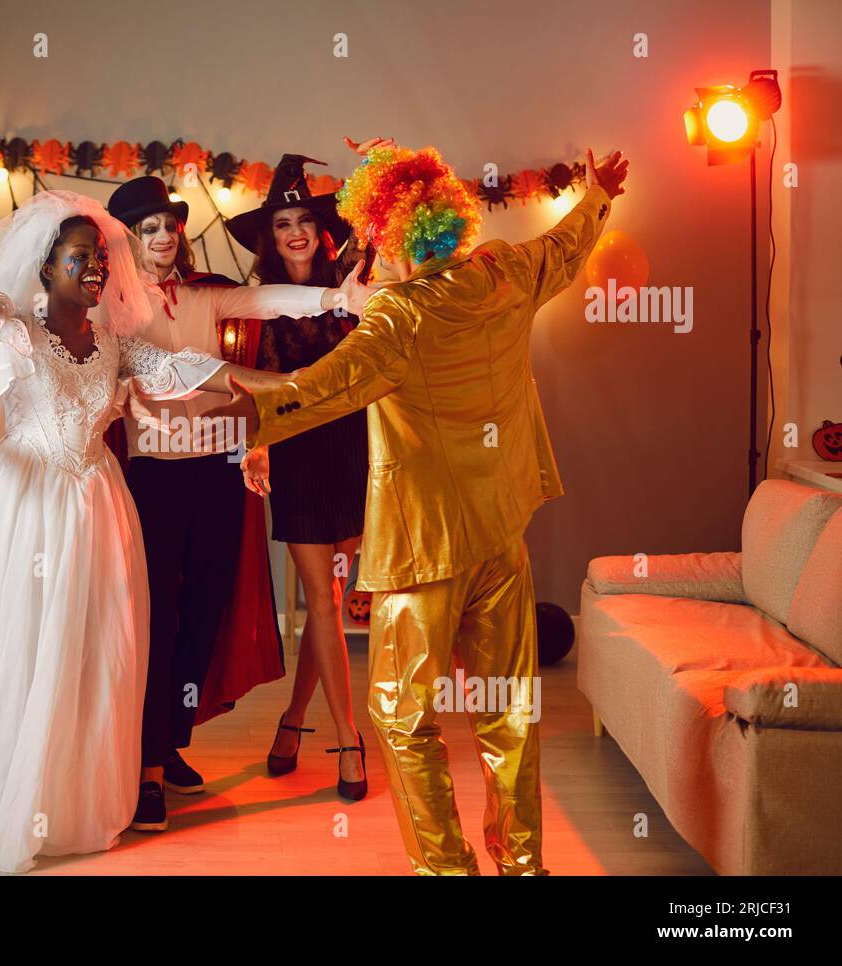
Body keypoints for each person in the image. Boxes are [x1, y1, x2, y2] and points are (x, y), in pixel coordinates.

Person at [207, 138, 630, 874]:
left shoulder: (397, 318)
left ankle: (447, 868)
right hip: (502, 535)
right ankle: (524, 863)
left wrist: (249, 412)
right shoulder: (504, 272)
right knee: (508, 711)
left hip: (426, 552)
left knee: (401, 719)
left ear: (387, 235)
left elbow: (323, 386)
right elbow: (566, 244)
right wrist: (597, 194)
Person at [0, 190, 297, 872]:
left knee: (98, 650)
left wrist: (278, 384)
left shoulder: (115, 345)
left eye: (100, 257)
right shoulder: (17, 328)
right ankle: (8, 795)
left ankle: (77, 793)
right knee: (24, 644)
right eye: (81, 257)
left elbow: (189, 372)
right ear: (45, 268)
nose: (97, 268)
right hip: (26, 506)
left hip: (99, 507)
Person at [106, 176, 377, 830]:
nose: (164, 237)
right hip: (156, 478)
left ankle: (169, 745)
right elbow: (151, 376)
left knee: (204, 613)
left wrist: (338, 295)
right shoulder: (113, 308)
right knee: (158, 621)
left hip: (218, 474)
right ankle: (145, 768)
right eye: (149, 229)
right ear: (129, 241)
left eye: (170, 225)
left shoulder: (207, 295)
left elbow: (269, 299)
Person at [224, 154, 371, 800]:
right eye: (282, 222)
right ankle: (348, 741)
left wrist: (378, 162)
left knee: (330, 604)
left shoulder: (353, 279)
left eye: (304, 219)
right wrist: (257, 445)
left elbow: (387, 228)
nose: (295, 232)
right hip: (297, 451)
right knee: (324, 600)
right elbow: (248, 384)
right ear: (271, 236)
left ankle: (292, 720)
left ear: (320, 227)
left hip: (354, 450)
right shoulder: (259, 303)